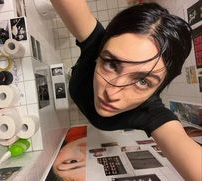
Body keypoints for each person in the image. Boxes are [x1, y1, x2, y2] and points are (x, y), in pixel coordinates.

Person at [50, 1, 202, 180]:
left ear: (160, 87)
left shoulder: (150, 113)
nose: (112, 94)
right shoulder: (95, 46)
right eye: (112, 64)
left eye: (143, 81)